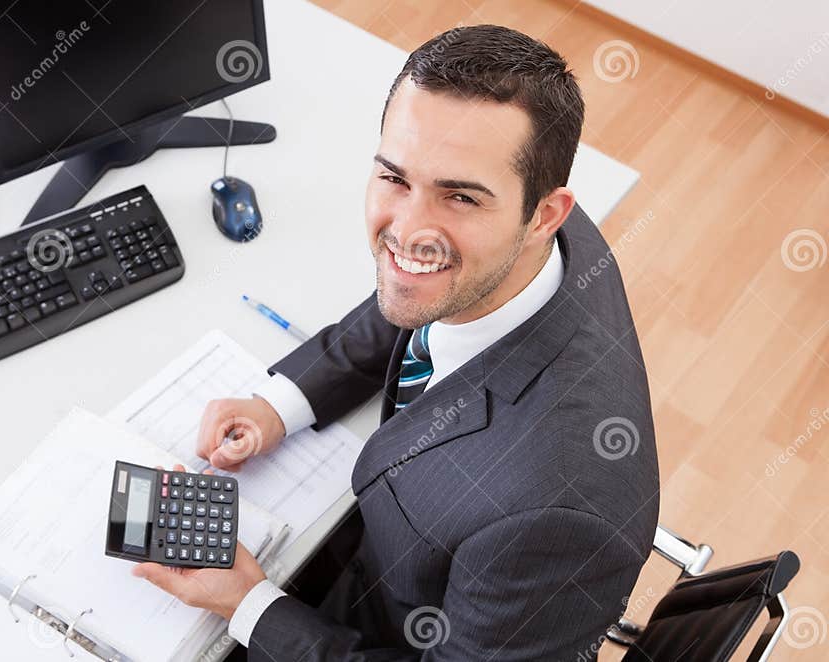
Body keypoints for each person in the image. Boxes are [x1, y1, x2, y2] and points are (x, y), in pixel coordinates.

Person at [133, 24, 659, 661]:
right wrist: (283, 405)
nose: (409, 230)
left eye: (459, 196)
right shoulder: (539, 248)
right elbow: (418, 290)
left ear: (545, 214)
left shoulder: (556, 516)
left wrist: (247, 604)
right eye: (395, 178)